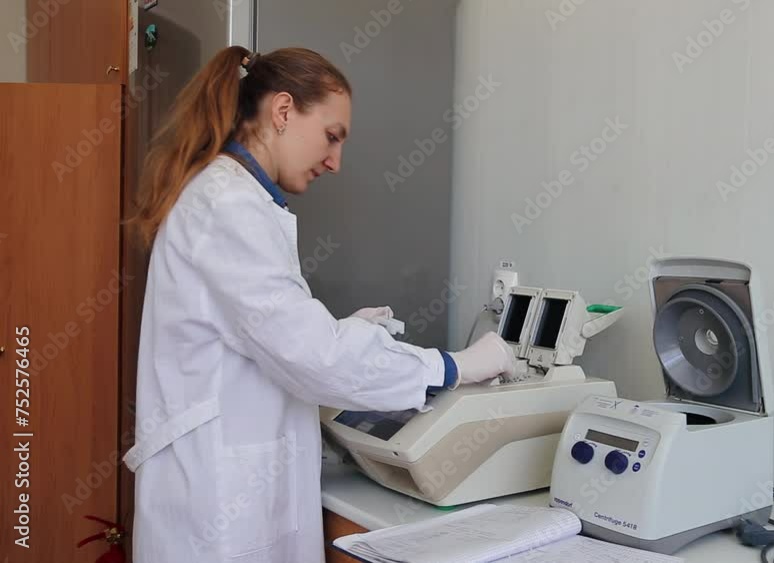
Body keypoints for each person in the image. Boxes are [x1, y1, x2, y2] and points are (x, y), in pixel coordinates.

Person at [123, 46, 514, 563]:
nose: (335, 161)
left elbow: (268, 337)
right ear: (283, 111)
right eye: (332, 136)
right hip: (216, 518)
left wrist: (343, 332)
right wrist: (456, 365)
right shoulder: (227, 205)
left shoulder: (238, 200)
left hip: (230, 494)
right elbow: (313, 356)